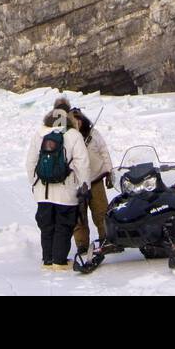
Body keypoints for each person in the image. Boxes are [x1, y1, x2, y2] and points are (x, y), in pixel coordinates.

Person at [26, 107, 90, 270]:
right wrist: (84, 185)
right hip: (65, 191)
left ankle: (47, 260)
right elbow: (82, 163)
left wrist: (34, 182)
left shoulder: (39, 134)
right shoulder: (74, 135)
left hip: (43, 191)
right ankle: (59, 261)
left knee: (47, 226)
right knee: (64, 225)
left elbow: (30, 161)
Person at [69, 108, 113, 256]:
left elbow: (104, 152)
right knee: (78, 216)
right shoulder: (66, 137)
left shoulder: (94, 134)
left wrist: (109, 171)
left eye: (79, 119)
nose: (77, 122)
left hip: (96, 179)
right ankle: (82, 245)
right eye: (74, 120)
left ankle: (106, 238)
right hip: (77, 182)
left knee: (101, 211)